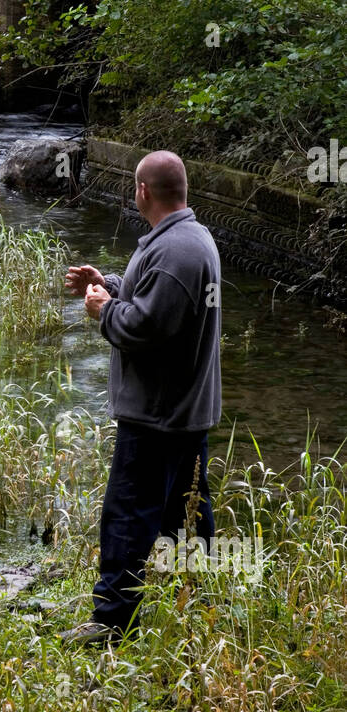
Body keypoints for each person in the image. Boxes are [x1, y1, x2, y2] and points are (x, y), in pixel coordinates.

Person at [61, 150, 222, 645]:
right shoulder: (186, 240)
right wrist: (105, 284)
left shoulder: (177, 252)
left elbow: (147, 326)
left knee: (128, 515)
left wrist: (104, 312)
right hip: (183, 411)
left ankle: (112, 622)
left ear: (143, 192)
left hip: (157, 415)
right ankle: (200, 603)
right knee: (184, 513)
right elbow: (157, 300)